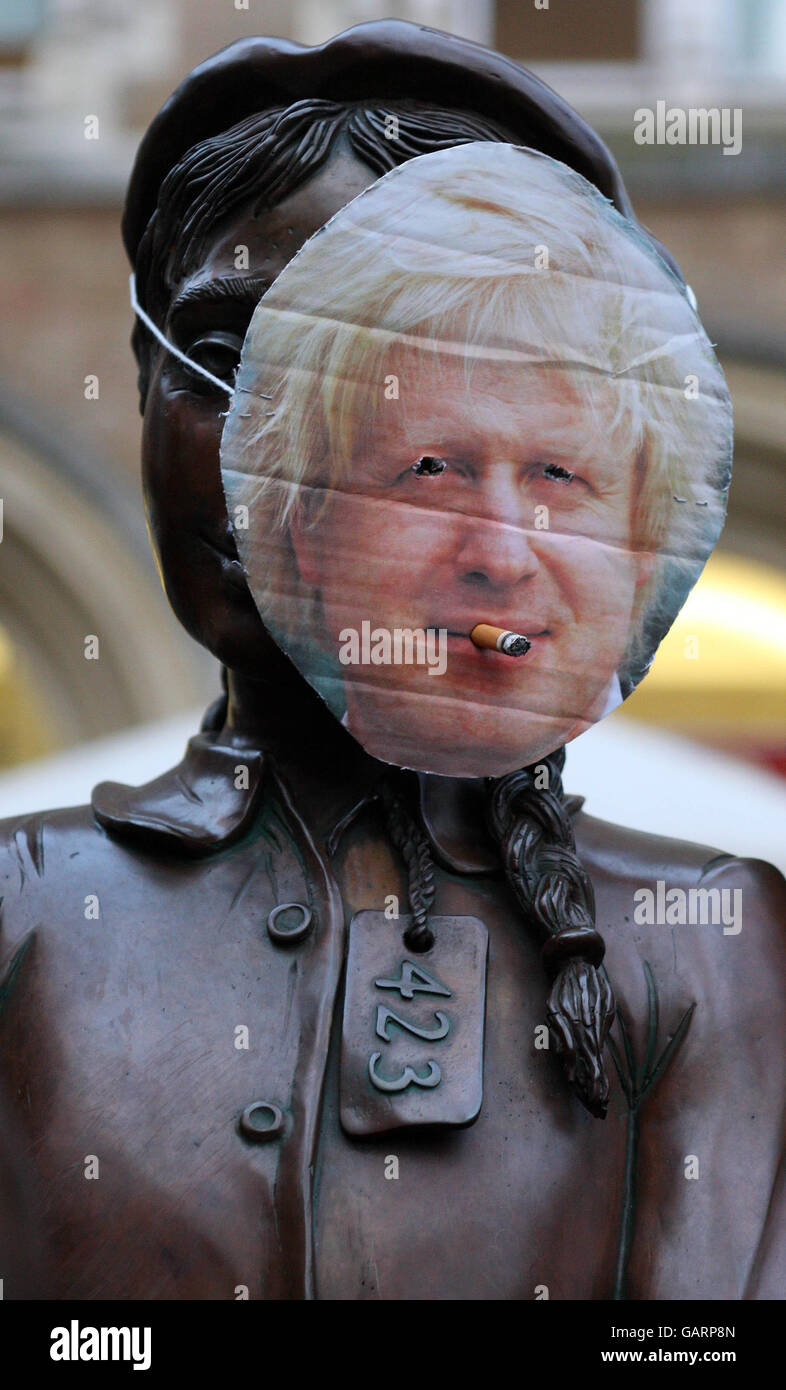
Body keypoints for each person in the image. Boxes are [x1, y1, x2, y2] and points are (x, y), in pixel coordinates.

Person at [0, 21, 784, 1300]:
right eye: (230, 358)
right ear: (144, 377)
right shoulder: (18, 909)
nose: (277, 453)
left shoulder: (705, 950)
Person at [222, 141, 729, 778]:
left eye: (558, 475)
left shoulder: (725, 878)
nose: (501, 558)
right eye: (431, 470)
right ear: (306, 528)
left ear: (645, 544)